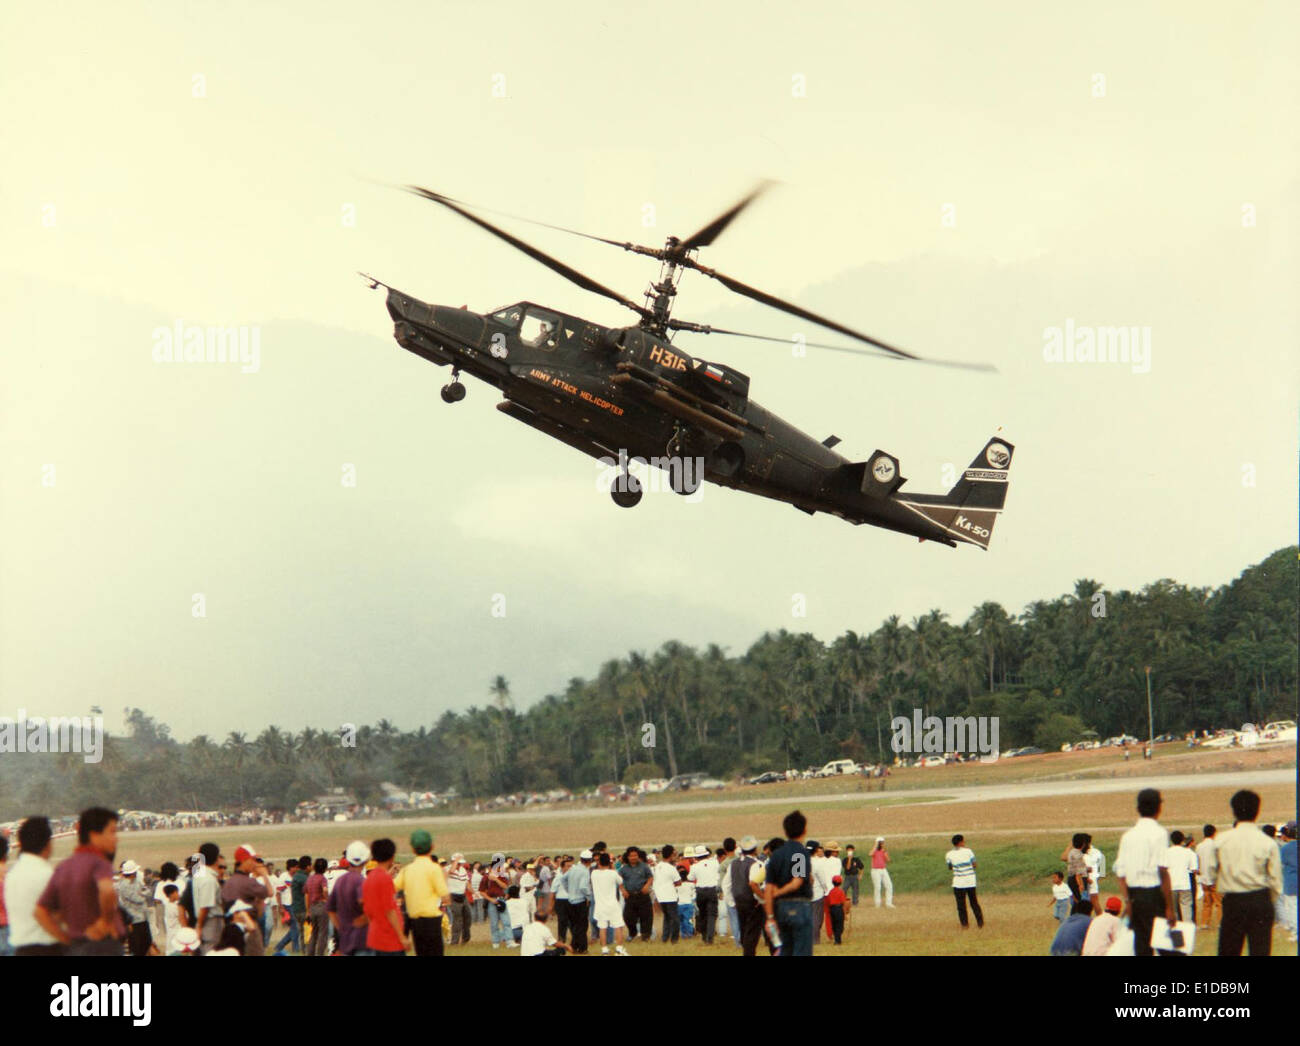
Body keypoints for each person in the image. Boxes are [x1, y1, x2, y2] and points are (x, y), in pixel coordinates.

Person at [34, 807, 124, 956]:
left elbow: (40, 911)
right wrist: (105, 922)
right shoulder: (99, 863)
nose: (116, 838)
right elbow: (107, 890)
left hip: (75, 948)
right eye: (112, 832)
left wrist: (64, 938)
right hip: (103, 947)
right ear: (94, 835)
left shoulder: (63, 867)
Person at [1215, 789, 1283, 956]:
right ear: (1257, 811)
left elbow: (1211, 872)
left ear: (1234, 811)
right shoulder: (1267, 842)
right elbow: (1275, 880)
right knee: (1260, 951)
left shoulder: (1221, 840)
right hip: (1260, 899)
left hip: (1233, 901)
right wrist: (1268, 899)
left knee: (1229, 951)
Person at [1113, 788, 1172, 957]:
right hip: (1153, 895)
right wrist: (1169, 907)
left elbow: (1121, 874)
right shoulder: (1159, 833)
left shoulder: (1128, 836)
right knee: (1168, 945)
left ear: (1138, 808)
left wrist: (1128, 901)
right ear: (1159, 808)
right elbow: (1162, 871)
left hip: (1135, 897)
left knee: (1142, 946)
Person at [6, 816, 62, 956]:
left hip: (20, 949)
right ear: (48, 843)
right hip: (46, 948)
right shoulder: (47, 875)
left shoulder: (11, 875)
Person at [394, 829, 450, 957]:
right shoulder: (434, 868)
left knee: (421, 952)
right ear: (432, 847)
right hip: (432, 920)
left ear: (413, 850)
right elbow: (445, 896)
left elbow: (392, 887)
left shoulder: (407, 870)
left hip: (415, 921)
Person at [765, 810, 815, 956]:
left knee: (785, 950)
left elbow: (768, 889)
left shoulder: (777, 855)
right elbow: (797, 881)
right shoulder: (799, 853)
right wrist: (779, 892)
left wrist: (769, 917)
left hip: (781, 909)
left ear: (785, 831)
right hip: (799, 907)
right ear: (804, 829)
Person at [361, 838, 409, 956]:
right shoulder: (385, 879)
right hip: (390, 940)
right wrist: (402, 937)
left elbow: (367, 909)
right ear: (392, 857)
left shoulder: (369, 879)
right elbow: (390, 910)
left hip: (374, 937)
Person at [222, 845, 269, 956]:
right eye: (252, 860)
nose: (254, 863)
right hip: (249, 926)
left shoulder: (229, 882)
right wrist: (264, 875)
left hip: (231, 929)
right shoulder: (248, 882)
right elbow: (267, 892)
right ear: (244, 861)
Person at [327, 840, 369, 956]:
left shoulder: (340, 881)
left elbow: (330, 909)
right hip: (362, 941)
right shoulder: (361, 881)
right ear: (365, 860)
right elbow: (363, 902)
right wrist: (366, 919)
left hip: (345, 941)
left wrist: (341, 927)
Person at [730, 836, 766, 957]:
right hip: (753, 903)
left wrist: (731, 901)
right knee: (752, 935)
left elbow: (726, 884)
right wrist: (762, 899)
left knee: (744, 932)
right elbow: (754, 884)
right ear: (754, 849)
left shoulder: (733, 863)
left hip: (739, 902)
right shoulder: (756, 864)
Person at [591, 851, 629, 955]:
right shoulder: (613, 873)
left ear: (599, 862)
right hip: (612, 904)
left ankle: (604, 950)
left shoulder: (594, 874)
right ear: (609, 862)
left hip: (600, 906)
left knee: (602, 927)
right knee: (618, 926)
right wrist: (612, 867)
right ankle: (619, 949)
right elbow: (620, 881)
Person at [946, 834, 983, 929]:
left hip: (958, 883)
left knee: (961, 905)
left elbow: (950, 867)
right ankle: (980, 923)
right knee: (974, 903)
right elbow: (974, 864)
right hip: (970, 881)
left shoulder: (949, 854)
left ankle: (964, 925)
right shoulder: (968, 851)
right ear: (961, 842)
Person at [115, 860, 151, 956]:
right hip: (133, 920)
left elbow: (147, 891)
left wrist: (143, 893)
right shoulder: (123, 885)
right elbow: (138, 899)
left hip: (143, 918)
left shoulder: (137, 881)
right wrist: (143, 894)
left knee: (147, 942)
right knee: (136, 946)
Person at [618, 846, 653, 942]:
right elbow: (618, 880)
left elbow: (650, 877)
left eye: (635, 855)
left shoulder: (644, 866)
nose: (633, 857)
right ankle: (632, 932)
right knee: (628, 917)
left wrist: (647, 886)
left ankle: (645, 937)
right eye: (631, 856)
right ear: (627, 857)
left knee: (646, 917)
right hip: (630, 896)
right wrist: (623, 890)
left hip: (643, 895)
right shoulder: (624, 869)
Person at [688, 843, 721, 944]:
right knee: (711, 915)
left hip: (700, 891)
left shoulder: (694, 866)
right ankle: (710, 938)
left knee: (702, 914)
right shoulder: (715, 863)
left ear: (697, 856)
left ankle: (704, 936)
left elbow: (690, 878)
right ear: (707, 854)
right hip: (712, 890)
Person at [1163, 830, 1197, 924]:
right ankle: (1188, 930)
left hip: (1171, 884)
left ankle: (1175, 929)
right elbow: (1193, 869)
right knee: (1187, 910)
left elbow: (1163, 868)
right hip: (1185, 884)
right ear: (1182, 840)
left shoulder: (1166, 852)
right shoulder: (1188, 852)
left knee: (1173, 911)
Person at [563, 849, 594, 954]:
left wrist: (569, 890)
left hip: (570, 900)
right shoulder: (585, 871)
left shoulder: (573, 869)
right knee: (582, 926)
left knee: (575, 925)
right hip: (580, 901)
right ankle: (582, 948)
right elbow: (583, 887)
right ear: (589, 860)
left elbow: (563, 879)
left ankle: (574, 946)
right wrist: (589, 897)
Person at [653, 845, 682, 943]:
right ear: (670, 855)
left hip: (661, 897)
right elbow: (678, 882)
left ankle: (665, 938)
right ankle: (674, 939)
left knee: (666, 918)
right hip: (670, 896)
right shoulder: (671, 868)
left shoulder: (658, 866)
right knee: (675, 919)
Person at [482, 855, 512, 949]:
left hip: (501, 899)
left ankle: (509, 941)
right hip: (492, 901)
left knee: (506, 921)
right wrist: (491, 899)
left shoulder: (501, 876)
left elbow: (505, 886)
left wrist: (496, 879)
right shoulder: (485, 878)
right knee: (494, 923)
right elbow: (482, 891)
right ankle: (495, 942)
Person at [1196, 825, 1221, 930]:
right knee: (1219, 902)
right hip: (1215, 877)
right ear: (1213, 833)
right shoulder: (1215, 845)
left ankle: (1205, 923)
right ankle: (1220, 922)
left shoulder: (1199, 846)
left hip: (1204, 877)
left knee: (1206, 902)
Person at [444, 853, 472, 946]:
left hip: (462, 896)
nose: (460, 865)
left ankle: (465, 939)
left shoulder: (463, 870)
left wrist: (472, 890)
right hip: (453, 896)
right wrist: (456, 861)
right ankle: (454, 942)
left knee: (468, 917)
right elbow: (451, 871)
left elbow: (466, 882)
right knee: (457, 919)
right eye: (459, 863)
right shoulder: (447, 868)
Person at [305, 857, 330, 956]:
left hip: (312, 907)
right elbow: (325, 890)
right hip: (321, 906)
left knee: (313, 934)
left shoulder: (310, 878)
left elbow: (306, 895)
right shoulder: (322, 878)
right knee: (322, 934)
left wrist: (308, 910)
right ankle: (320, 954)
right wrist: (327, 900)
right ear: (325, 868)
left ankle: (310, 953)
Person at [1279, 822, 1297, 943]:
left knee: (1292, 909)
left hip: (1291, 882)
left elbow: (1280, 865)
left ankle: (1296, 933)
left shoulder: (1285, 849)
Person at [1061, 833, 1089, 902]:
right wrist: (1080, 884)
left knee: (1076, 902)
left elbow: (1064, 857)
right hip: (1079, 879)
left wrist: (1071, 845)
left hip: (1074, 878)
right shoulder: (1077, 854)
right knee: (1081, 902)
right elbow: (1078, 872)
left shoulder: (1073, 853)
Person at [871, 837, 894, 907]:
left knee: (889, 886)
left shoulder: (884, 851)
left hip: (883, 869)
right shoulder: (874, 851)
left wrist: (884, 852)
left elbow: (888, 860)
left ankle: (889, 903)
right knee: (878, 887)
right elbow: (870, 854)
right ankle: (877, 904)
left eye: (882, 843)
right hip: (875, 870)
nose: (882, 844)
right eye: (881, 843)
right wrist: (875, 845)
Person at [824, 875, 847, 944]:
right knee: (840, 925)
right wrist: (845, 913)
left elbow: (828, 902)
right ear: (841, 883)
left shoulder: (830, 892)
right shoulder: (841, 892)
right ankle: (838, 940)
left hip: (832, 909)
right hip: (839, 909)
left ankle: (836, 939)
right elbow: (844, 903)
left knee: (834, 924)